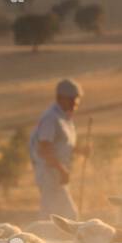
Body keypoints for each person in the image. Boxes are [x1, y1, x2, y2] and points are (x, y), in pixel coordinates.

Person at [29, 78, 86, 220]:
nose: (75, 103)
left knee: (56, 215)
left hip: (57, 173)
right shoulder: (51, 118)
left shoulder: (65, 118)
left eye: (77, 99)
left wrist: (80, 150)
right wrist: (62, 170)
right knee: (65, 215)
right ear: (60, 98)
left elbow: (63, 145)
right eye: (71, 99)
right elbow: (44, 149)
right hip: (50, 173)